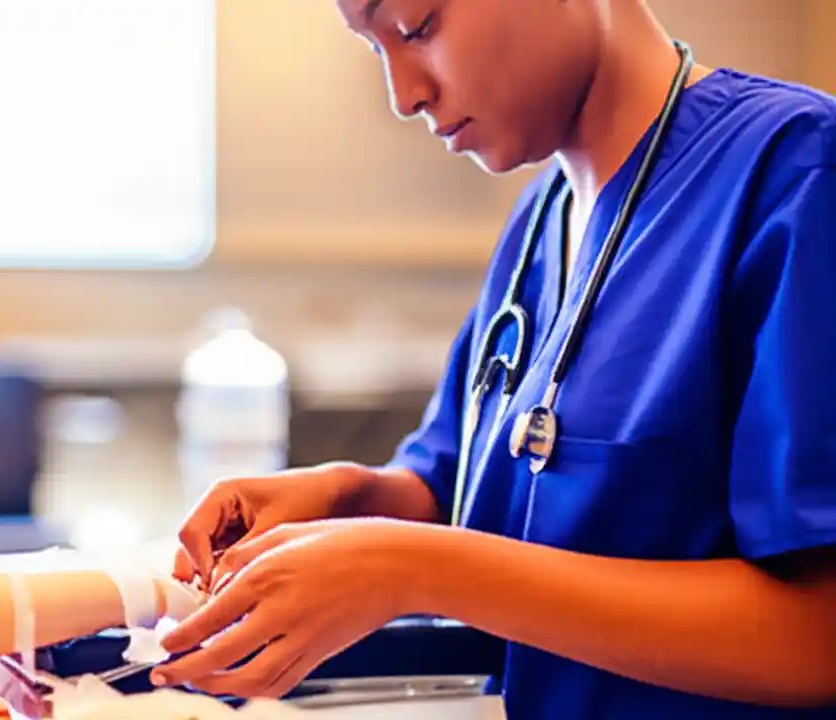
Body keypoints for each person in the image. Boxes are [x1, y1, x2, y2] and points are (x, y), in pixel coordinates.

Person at [148, 1, 836, 718]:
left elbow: (819, 637)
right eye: (373, 49)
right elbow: (460, 492)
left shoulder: (797, 174)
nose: (405, 93)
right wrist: (350, 498)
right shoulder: (540, 223)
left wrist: (406, 567)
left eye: (417, 28)